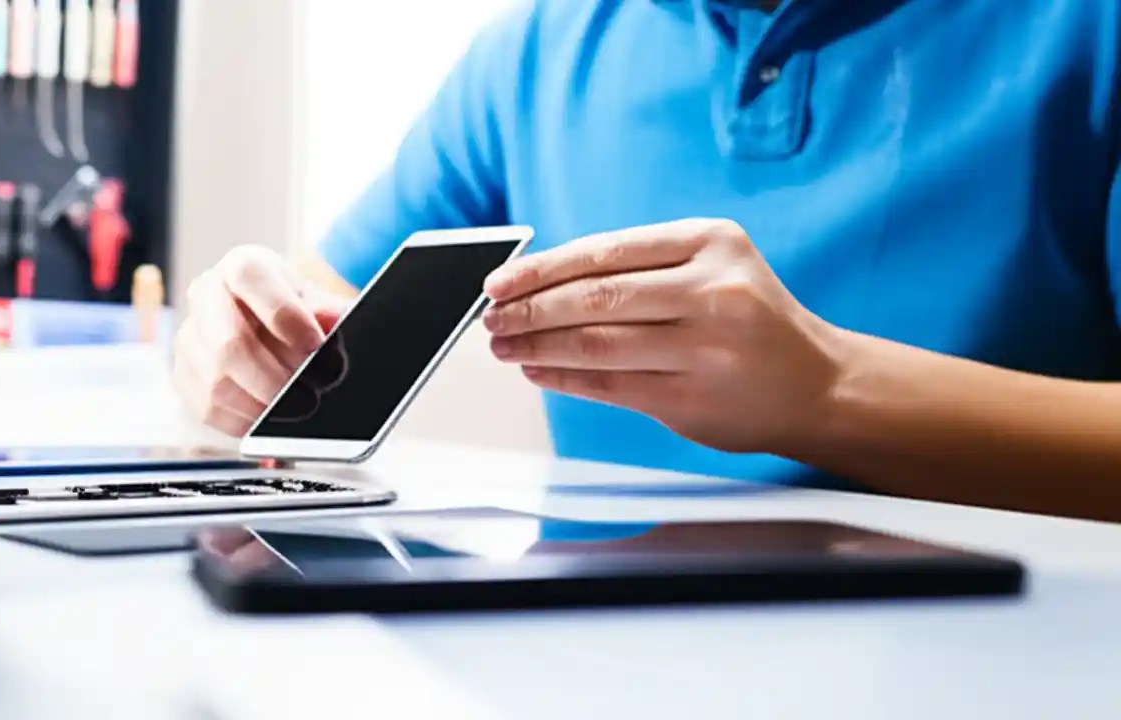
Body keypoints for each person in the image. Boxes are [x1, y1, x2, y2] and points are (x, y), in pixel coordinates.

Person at [173, 0, 1121, 521]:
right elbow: (320, 311)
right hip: (578, 660)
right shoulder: (536, 50)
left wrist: (828, 393)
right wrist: (240, 348)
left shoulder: (1090, 30)